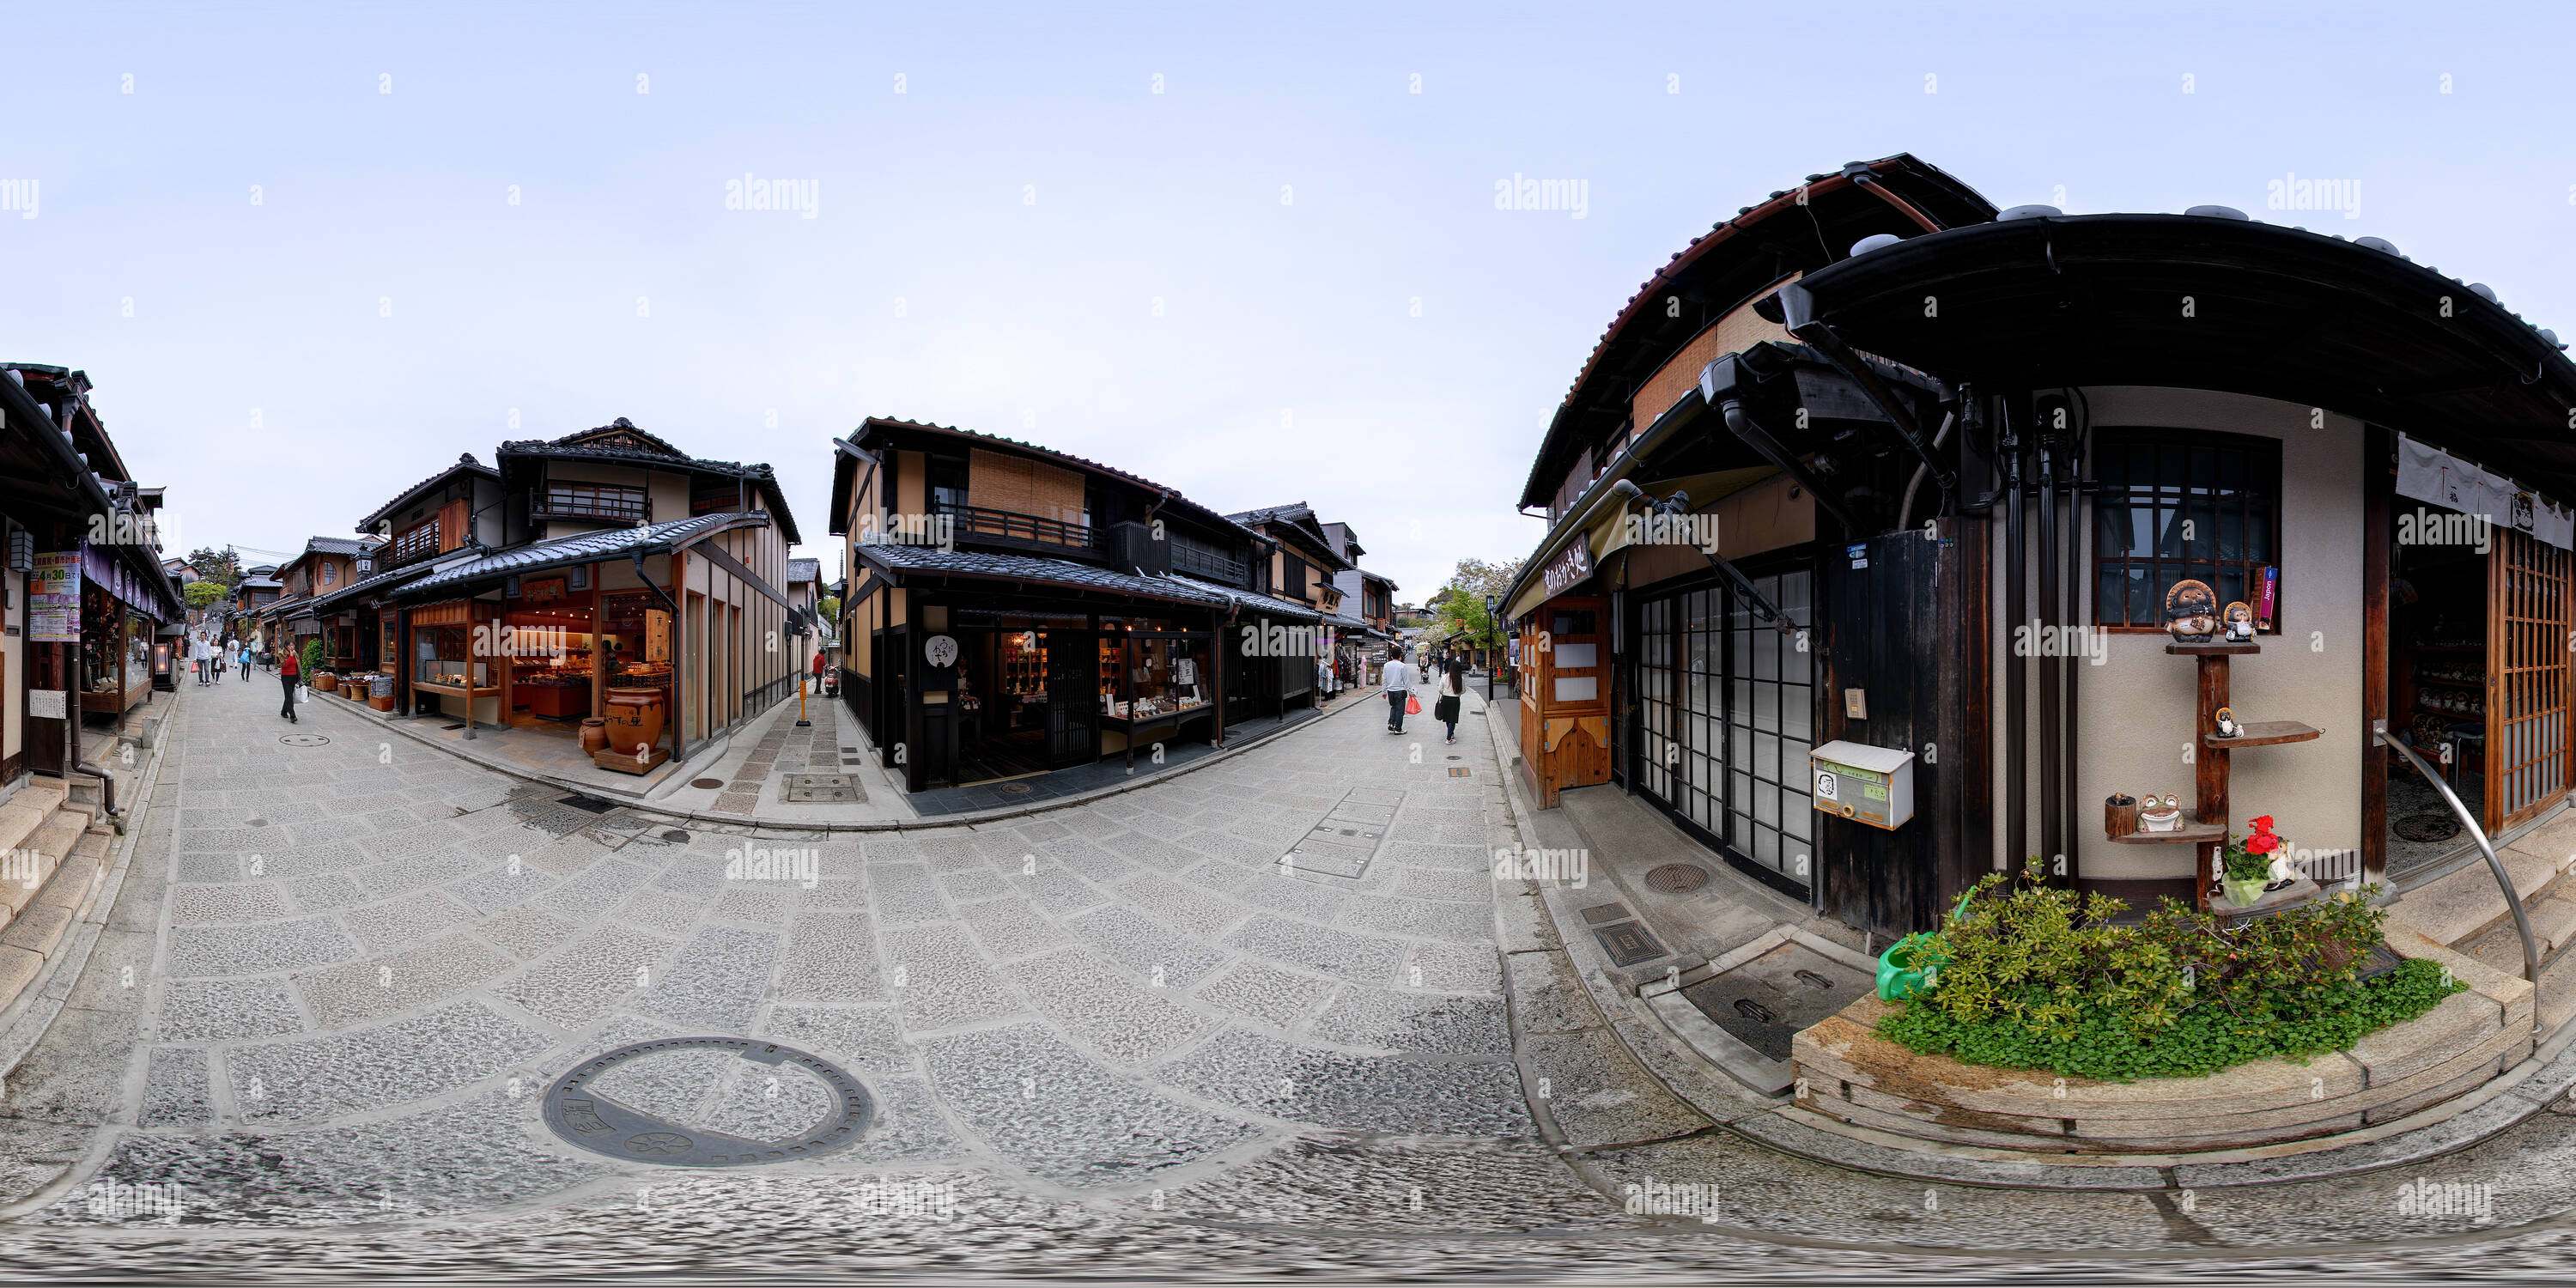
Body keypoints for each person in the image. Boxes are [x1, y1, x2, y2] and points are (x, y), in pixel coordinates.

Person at [1437, 658, 1468, 744]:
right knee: (1453, 719)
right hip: (1455, 700)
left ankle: (1451, 733)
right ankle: (1449, 738)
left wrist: (1445, 692)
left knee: (1447, 718)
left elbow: (1440, 689)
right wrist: (1457, 693)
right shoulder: (1460, 678)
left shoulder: (1445, 677)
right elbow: (1463, 690)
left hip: (1446, 699)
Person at [1382, 646, 1411, 733]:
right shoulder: (1402, 666)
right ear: (1400, 656)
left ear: (1391, 656)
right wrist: (1411, 692)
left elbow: (1384, 679)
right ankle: (1398, 729)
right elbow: (1406, 680)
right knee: (1400, 710)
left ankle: (1391, 723)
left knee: (1393, 707)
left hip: (1390, 691)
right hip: (1400, 691)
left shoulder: (1386, 665)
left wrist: (1384, 691)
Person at [278, 643, 301, 721]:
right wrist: (291, 656)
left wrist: (299, 677)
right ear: (286, 646)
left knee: (289, 695)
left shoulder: (295, 653)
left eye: (293, 645)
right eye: (290, 646)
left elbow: (297, 665)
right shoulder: (282, 653)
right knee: (289, 696)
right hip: (286, 677)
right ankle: (292, 715)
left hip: (293, 676)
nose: (292, 647)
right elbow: (285, 665)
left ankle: (284, 711)